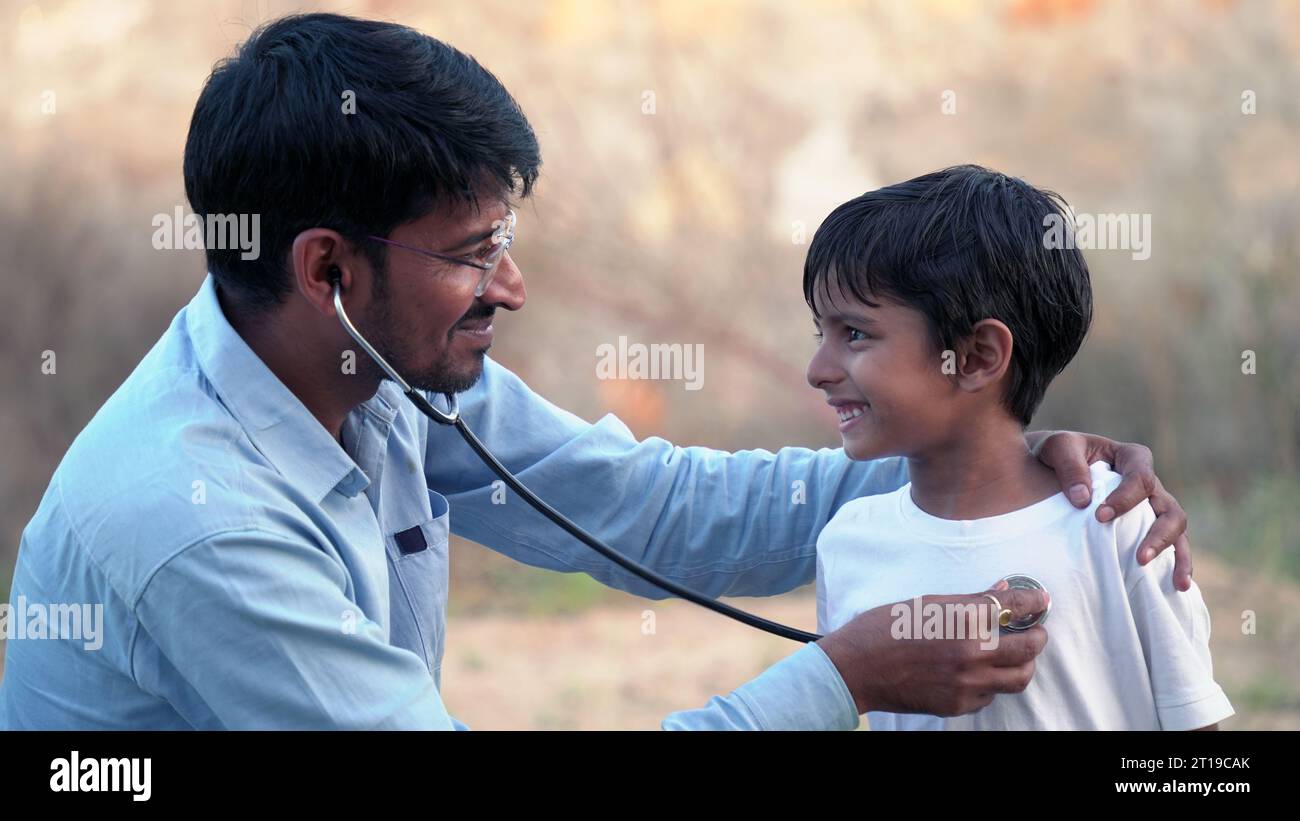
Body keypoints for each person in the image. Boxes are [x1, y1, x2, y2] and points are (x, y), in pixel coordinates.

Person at [0, 14, 1190, 731]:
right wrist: (839, 679)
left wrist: (990, 461)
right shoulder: (193, 520)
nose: (510, 289)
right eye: (473, 255)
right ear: (328, 271)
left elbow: (647, 507)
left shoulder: (383, 375)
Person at [810, 166, 1233, 730]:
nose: (817, 370)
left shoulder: (1115, 523)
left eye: (855, 334)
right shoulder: (849, 541)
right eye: (822, 333)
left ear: (979, 355)